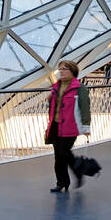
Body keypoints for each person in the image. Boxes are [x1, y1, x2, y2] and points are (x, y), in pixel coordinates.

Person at [45, 60, 90, 193]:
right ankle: (62, 182)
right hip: (55, 126)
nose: (61, 71)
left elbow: (85, 108)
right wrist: (48, 100)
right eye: (60, 69)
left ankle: (75, 175)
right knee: (59, 156)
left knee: (63, 153)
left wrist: (86, 127)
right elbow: (53, 107)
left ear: (72, 71)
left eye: (65, 69)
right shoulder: (55, 87)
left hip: (71, 126)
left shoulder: (79, 88)